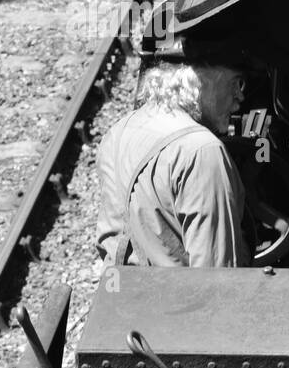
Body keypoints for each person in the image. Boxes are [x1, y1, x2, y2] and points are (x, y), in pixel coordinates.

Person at [96, 51, 250, 268]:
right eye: (235, 83)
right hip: (180, 298)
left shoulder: (118, 132)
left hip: (127, 295)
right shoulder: (201, 150)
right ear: (200, 81)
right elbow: (217, 274)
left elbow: (111, 242)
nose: (239, 97)